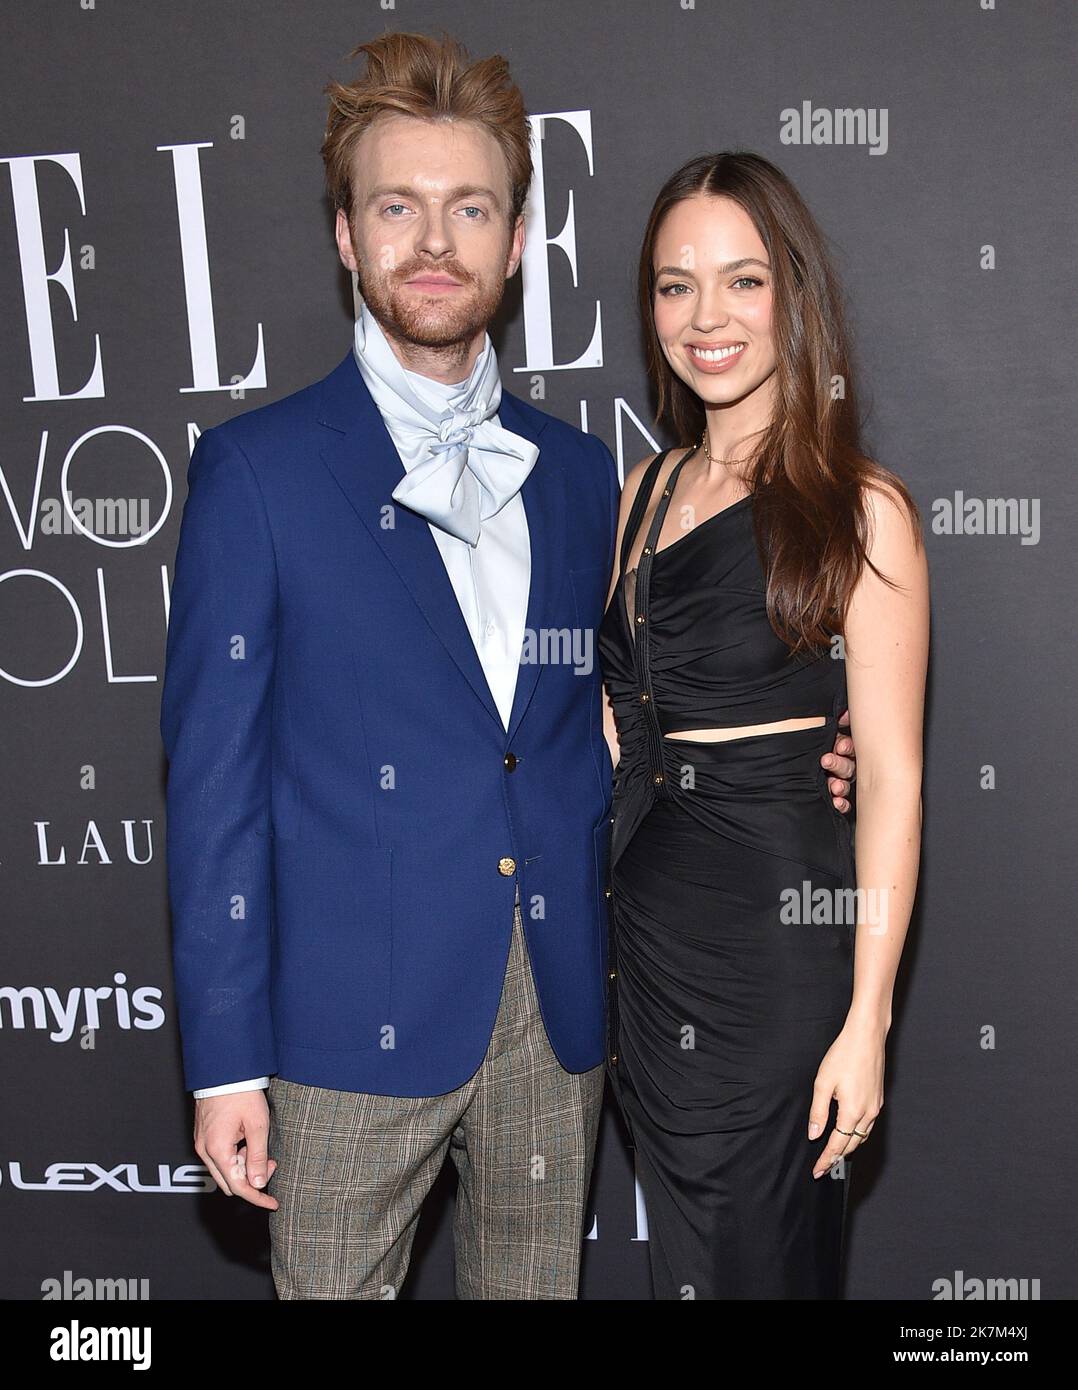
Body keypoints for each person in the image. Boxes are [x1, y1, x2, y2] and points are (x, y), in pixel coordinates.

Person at [160, 34, 855, 1300]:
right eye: (397, 207)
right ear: (344, 236)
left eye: (469, 207)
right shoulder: (253, 473)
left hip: (562, 1018)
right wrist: (222, 1061)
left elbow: (641, 698)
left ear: (519, 236)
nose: (434, 240)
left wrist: (813, 755)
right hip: (340, 1038)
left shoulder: (588, 472)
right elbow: (210, 786)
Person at [598, 151, 928, 1300]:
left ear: (794, 294)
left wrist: (866, 1022)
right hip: (644, 961)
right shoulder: (642, 492)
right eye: (673, 284)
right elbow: (620, 717)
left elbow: (887, 775)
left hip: (772, 964)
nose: (706, 316)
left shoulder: (858, 507)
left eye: (741, 280)